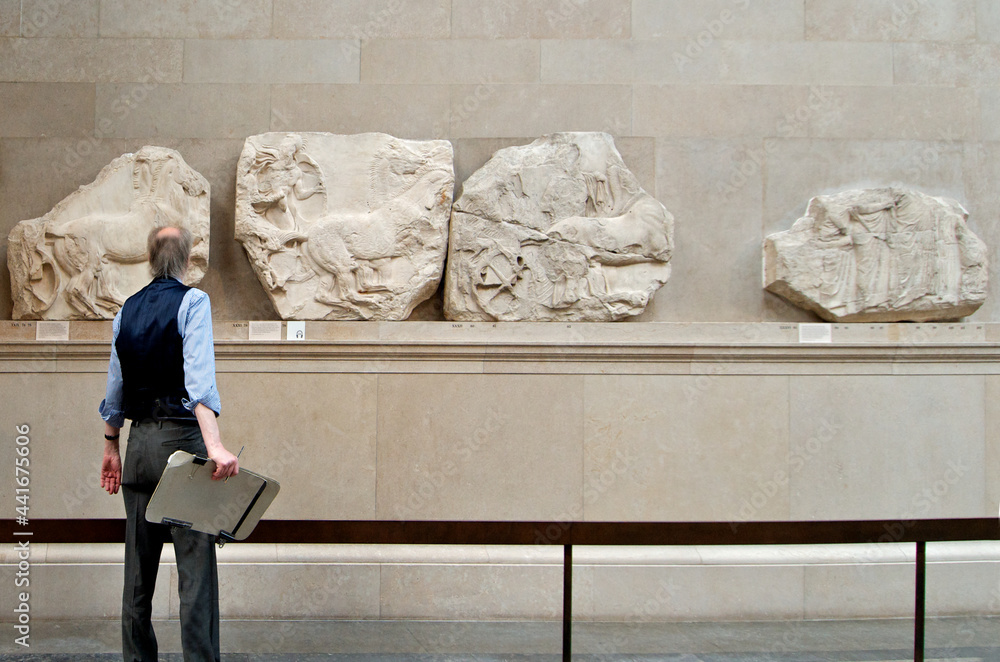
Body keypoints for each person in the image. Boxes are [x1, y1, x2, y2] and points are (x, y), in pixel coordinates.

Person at [98, 225, 239, 662]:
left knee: (136, 576)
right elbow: (199, 383)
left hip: (139, 448)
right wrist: (214, 446)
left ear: (149, 258)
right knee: (195, 575)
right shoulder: (194, 302)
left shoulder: (126, 311)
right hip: (183, 449)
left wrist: (110, 447)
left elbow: (115, 389)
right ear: (186, 260)